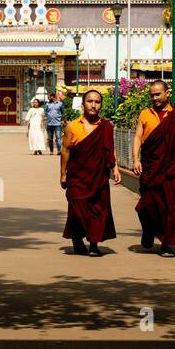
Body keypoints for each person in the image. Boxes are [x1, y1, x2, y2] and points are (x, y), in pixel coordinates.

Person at [131, 80, 175, 257]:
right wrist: (136, 159)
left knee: (171, 208)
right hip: (150, 167)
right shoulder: (145, 114)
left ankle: (167, 244)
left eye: (158, 94)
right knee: (146, 206)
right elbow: (138, 137)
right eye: (152, 95)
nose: (155, 98)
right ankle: (149, 229)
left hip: (171, 169)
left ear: (167, 94)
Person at [60, 89, 121, 256]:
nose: (93, 105)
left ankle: (94, 243)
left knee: (98, 209)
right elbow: (65, 150)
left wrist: (115, 168)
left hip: (98, 176)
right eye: (90, 101)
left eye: (97, 102)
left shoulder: (106, 126)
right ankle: (77, 238)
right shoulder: (72, 125)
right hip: (78, 175)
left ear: (101, 105)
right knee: (77, 208)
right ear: (83, 104)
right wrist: (63, 174)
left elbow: (110, 149)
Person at [44, 88, 65, 153]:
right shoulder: (47, 104)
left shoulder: (60, 104)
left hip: (57, 124)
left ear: (53, 97)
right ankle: (51, 151)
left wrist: (62, 120)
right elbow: (45, 112)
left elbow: (63, 112)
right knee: (50, 139)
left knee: (58, 138)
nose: (48, 98)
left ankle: (59, 150)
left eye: (49, 97)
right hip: (49, 124)